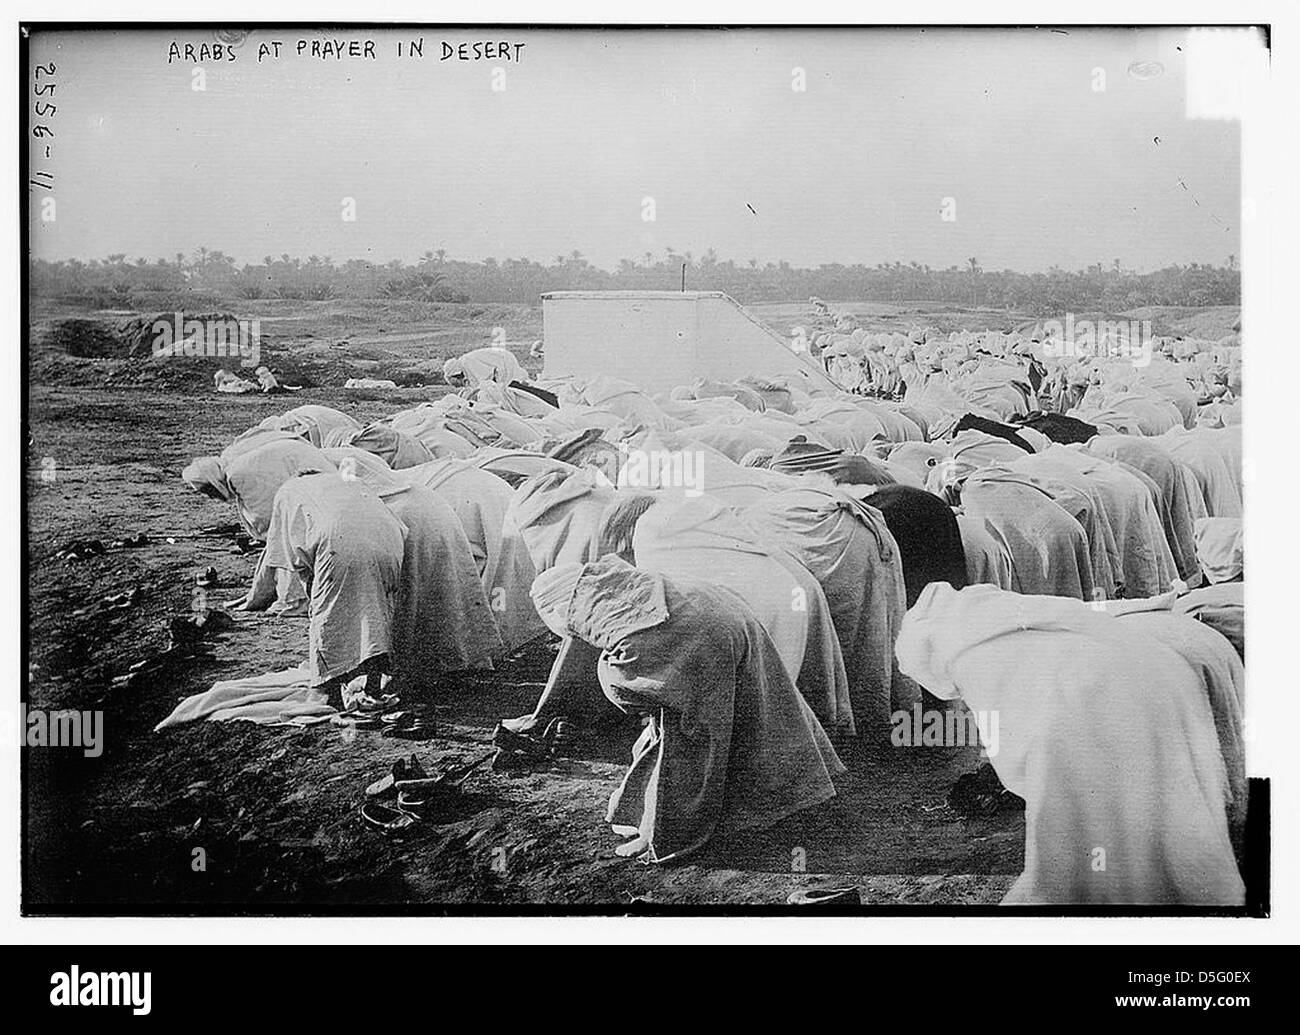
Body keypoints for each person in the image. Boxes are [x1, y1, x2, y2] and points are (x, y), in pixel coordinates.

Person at [530, 556, 844, 862]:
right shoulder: (621, 585)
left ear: (564, 609)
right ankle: (786, 798)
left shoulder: (622, 628)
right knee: (758, 713)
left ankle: (664, 831)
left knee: (687, 741)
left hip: (709, 636)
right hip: (730, 614)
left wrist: (607, 671)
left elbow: (627, 691)